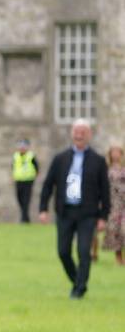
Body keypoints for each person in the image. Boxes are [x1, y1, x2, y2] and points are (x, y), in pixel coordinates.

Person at [39, 119, 111, 298]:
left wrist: (103, 217)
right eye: (76, 131)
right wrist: (43, 209)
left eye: (83, 132)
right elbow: (48, 185)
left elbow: (105, 191)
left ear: (89, 135)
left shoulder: (98, 161)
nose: (79, 135)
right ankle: (78, 280)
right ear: (71, 133)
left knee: (83, 251)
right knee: (63, 251)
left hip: (87, 213)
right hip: (65, 211)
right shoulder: (60, 159)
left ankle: (79, 289)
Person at [102, 144, 125, 265]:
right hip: (113, 204)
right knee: (115, 231)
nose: (115, 155)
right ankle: (118, 258)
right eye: (113, 152)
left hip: (124, 203)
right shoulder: (105, 169)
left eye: (118, 152)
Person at [12, 139, 38, 223]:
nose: (22, 148)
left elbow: (37, 168)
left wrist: (33, 177)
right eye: (20, 146)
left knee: (26, 200)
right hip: (18, 180)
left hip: (28, 181)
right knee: (19, 198)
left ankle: (24, 219)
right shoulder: (15, 156)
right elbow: (13, 167)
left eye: (24, 146)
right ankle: (25, 217)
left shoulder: (31, 156)